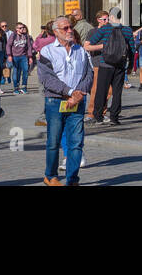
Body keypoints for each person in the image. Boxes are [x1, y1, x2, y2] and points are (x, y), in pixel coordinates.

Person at [38, 16, 91, 186]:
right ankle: (51, 176)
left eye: (70, 27)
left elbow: (88, 74)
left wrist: (79, 93)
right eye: (65, 28)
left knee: (76, 143)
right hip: (55, 102)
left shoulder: (80, 50)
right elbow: (47, 79)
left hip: (77, 102)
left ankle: (72, 179)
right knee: (53, 141)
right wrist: (69, 92)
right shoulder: (47, 51)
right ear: (55, 32)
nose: (70, 30)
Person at [89, 10, 135, 124]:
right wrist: (130, 66)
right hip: (120, 64)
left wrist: (103, 46)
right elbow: (132, 49)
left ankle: (98, 115)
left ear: (111, 16)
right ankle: (114, 117)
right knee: (117, 92)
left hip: (105, 63)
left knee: (101, 90)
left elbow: (90, 43)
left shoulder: (105, 29)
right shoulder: (127, 30)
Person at [5, 22, 33, 94]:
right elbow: (8, 45)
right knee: (16, 72)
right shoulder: (13, 35)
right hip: (15, 56)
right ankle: (16, 87)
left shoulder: (26, 36)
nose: (22, 29)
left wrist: (30, 57)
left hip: (23, 56)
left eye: (23, 27)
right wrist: (9, 55)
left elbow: (29, 46)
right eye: (20, 28)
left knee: (26, 71)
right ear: (17, 29)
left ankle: (24, 87)